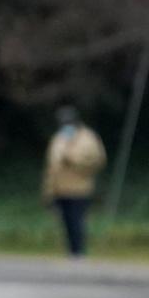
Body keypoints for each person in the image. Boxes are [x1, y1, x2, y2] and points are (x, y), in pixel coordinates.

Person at [41, 105, 107, 258]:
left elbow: (96, 160)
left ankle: (79, 251)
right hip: (60, 188)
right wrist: (48, 190)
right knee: (66, 222)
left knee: (77, 220)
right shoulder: (58, 138)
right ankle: (71, 251)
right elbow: (51, 166)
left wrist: (72, 159)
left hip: (80, 189)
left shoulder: (88, 138)